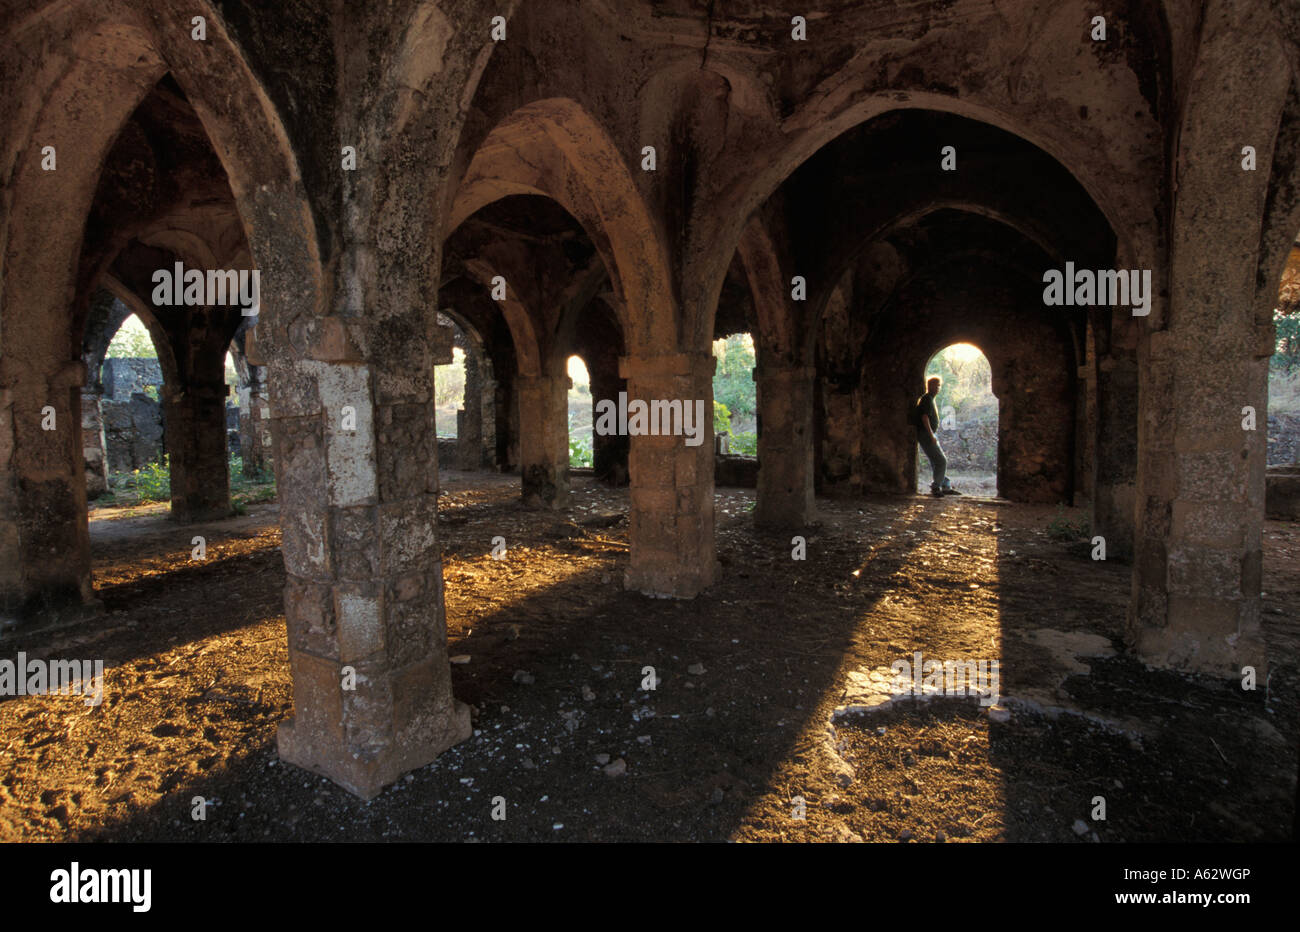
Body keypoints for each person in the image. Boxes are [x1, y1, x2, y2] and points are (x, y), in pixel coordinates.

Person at [911, 376, 961, 497]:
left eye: (939, 386)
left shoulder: (929, 399)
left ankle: (945, 485)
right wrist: (931, 434)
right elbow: (925, 417)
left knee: (936, 461)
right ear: (930, 386)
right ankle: (936, 487)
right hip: (926, 434)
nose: (938, 388)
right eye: (936, 385)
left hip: (928, 434)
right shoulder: (927, 399)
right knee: (941, 460)